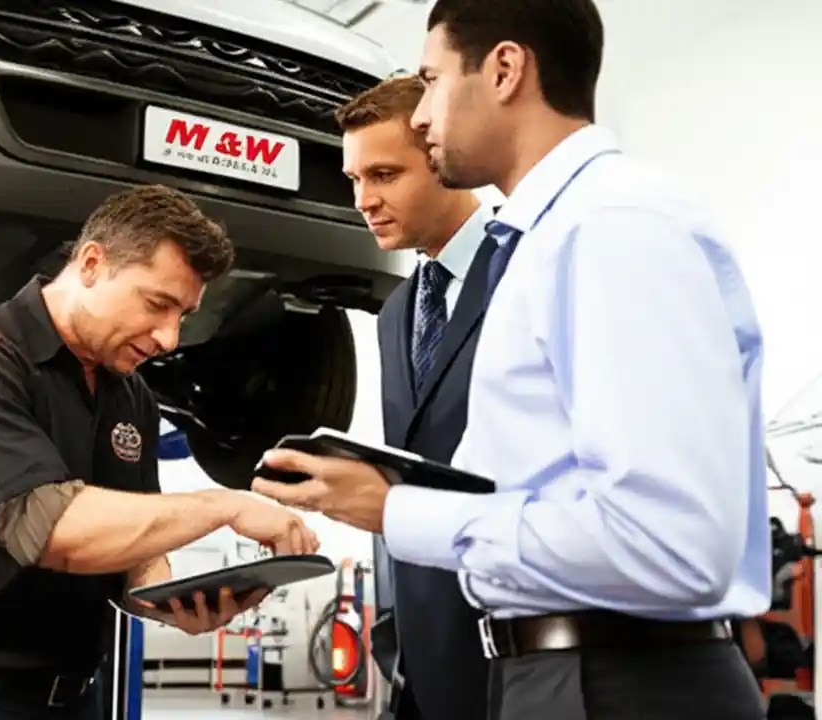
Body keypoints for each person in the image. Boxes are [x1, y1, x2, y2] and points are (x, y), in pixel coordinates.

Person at [253, 1, 770, 719]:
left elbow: (669, 542)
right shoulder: (553, 240)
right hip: (547, 672)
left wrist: (398, 509)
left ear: (504, 69)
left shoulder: (611, 229)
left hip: (617, 681)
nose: (424, 115)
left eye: (431, 81)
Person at [0, 184, 321, 720]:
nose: (170, 337)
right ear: (91, 263)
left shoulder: (130, 395)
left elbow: (133, 552)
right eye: (158, 304)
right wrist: (224, 506)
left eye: (184, 313)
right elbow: (50, 532)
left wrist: (175, 601)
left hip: (76, 695)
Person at [335, 75, 494, 720]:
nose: (364, 200)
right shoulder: (397, 310)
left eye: (383, 174)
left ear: (443, 154)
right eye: (353, 180)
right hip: (424, 661)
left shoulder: (530, 269)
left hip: (519, 643)